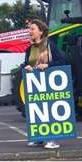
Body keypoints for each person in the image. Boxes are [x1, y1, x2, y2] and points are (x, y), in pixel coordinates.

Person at [22, 19, 67, 149]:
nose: (29, 31)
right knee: (37, 110)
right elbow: (25, 63)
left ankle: (52, 139)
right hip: (35, 83)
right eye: (29, 29)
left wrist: (47, 65)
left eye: (32, 29)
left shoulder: (49, 46)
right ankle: (38, 138)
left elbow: (62, 61)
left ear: (40, 32)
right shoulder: (29, 49)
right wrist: (26, 67)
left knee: (50, 110)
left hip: (50, 82)